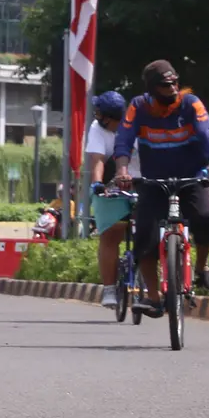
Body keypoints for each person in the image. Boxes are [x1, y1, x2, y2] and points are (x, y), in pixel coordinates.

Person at [114, 60, 209, 317]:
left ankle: (201, 268)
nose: (174, 89)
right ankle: (154, 298)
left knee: (205, 217)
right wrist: (122, 172)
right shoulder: (138, 106)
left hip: (191, 178)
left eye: (175, 82)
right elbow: (123, 140)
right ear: (153, 89)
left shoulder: (191, 103)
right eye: (167, 85)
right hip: (154, 182)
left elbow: (206, 134)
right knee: (143, 234)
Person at [85, 91, 141, 308]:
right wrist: (98, 184)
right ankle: (109, 289)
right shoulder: (96, 128)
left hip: (142, 181)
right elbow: (97, 160)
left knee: (151, 232)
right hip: (111, 185)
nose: (96, 114)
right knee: (111, 235)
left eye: (99, 111)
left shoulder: (136, 127)